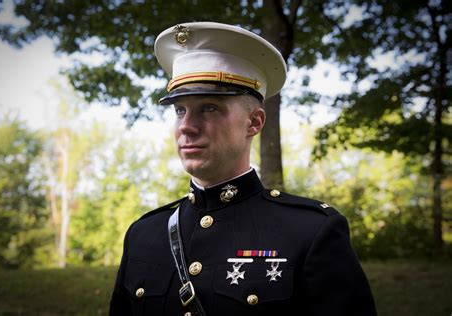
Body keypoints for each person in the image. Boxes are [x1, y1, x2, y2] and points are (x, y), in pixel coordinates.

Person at [109, 21, 377, 316]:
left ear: (254, 122)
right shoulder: (143, 233)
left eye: (208, 108)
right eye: (179, 110)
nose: (186, 125)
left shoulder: (311, 232)